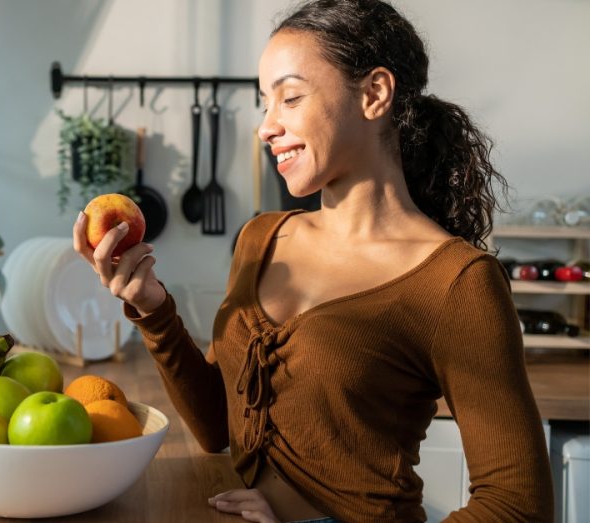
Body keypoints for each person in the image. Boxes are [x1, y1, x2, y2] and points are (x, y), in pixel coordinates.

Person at [71, 0, 553, 521]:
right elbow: (217, 426)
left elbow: (517, 506)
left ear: (374, 94)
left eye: (290, 98)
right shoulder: (261, 238)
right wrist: (152, 307)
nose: (266, 127)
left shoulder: (456, 282)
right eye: (264, 104)